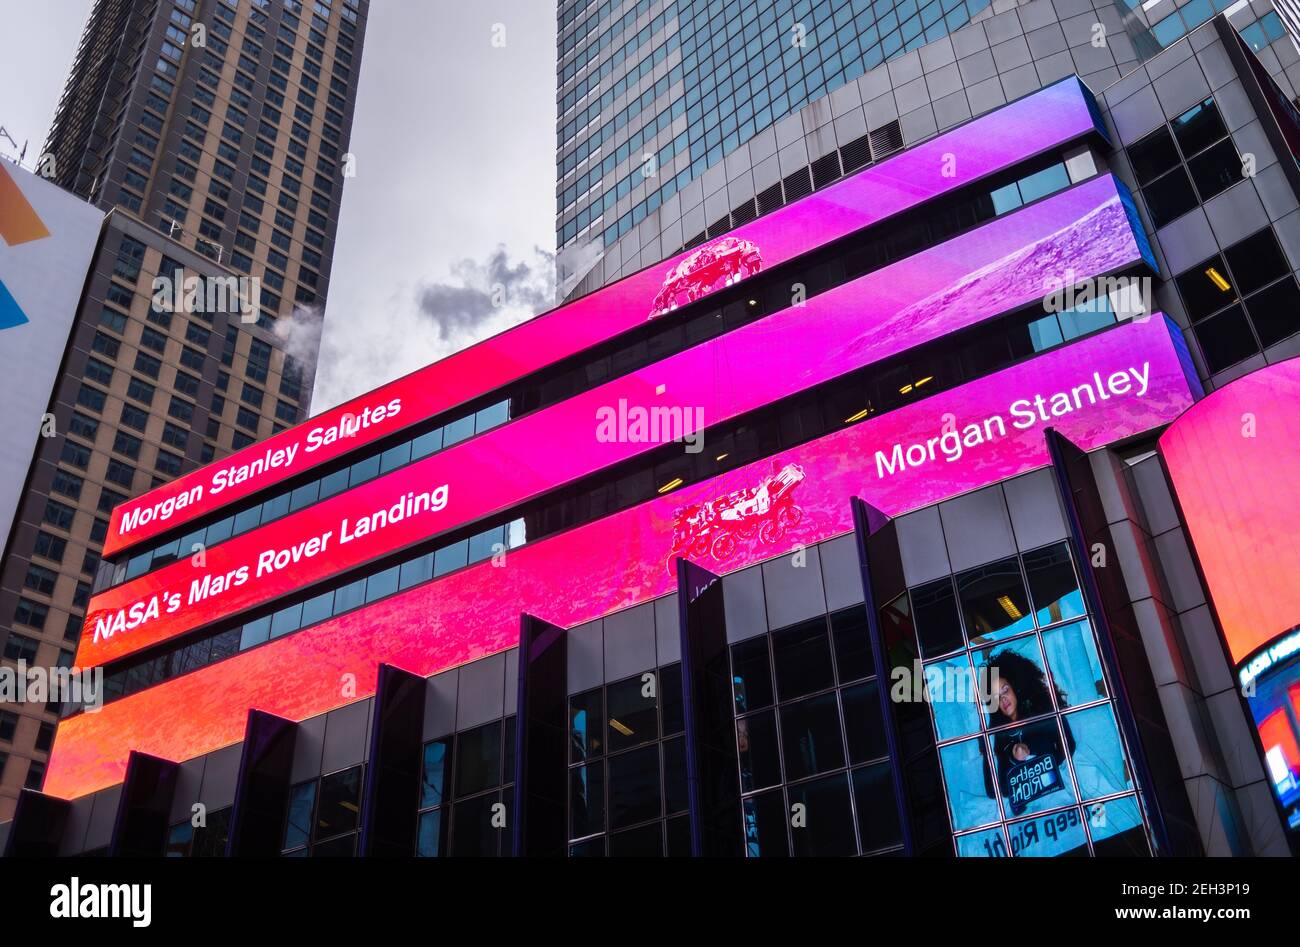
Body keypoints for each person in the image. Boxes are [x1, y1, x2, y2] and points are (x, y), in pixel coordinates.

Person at [980, 650, 1076, 815]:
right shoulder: (998, 731)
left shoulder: (1040, 708)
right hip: (1030, 819)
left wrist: (1032, 750)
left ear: (1014, 688)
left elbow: (1068, 745)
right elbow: (994, 789)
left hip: (1058, 801)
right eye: (997, 697)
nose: (1003, 699)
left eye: (1005, 690)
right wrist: (1013, 758)